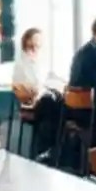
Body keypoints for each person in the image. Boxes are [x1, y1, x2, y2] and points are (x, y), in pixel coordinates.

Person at [12, 28, 63, 157]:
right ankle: (44, 148)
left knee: (58, 102)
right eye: (33, 42)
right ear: (27, 42)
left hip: (39, 99)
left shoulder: (40, 62)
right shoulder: (22, 63)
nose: (36, 46)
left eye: (39, 43)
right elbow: (22, 87)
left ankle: (54, 148)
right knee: (49, 103)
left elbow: (44, 81)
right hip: (28, 103)